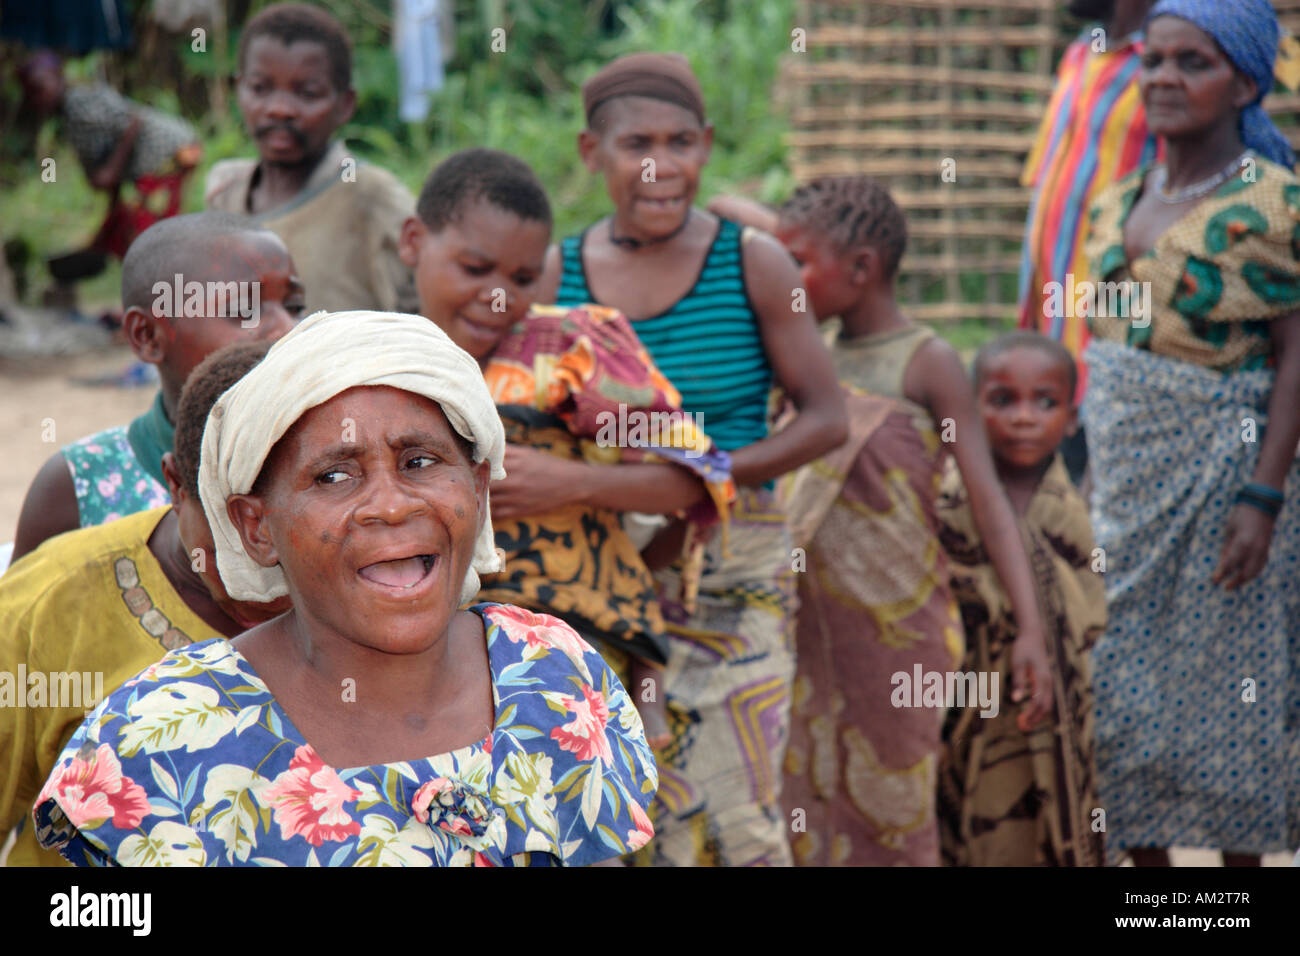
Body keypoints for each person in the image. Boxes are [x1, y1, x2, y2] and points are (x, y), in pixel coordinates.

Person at [33, 310, 658, 867]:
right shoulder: (158, 737)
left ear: (478, 488)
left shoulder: (555, 674)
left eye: (419, 462)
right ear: (257, 527)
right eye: (333, 475)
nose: (388, 506)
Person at [400, 148, 735, 750]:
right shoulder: (376, 357)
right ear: (413, 241)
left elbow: (695, 473)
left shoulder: (574, 346)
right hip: (420, 639)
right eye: (476, 269)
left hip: (572, 634)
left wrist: (571, 481)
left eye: (522, 280)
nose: (498, 297)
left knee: (576, 815)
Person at [760, 177, 1051, 866]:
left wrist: (1030, 627)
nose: (782, 276)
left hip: (899, 633)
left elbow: (988, 500)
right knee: (804, 793)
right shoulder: (809, 357)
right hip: (804, 623)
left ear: (861, 269)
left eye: (798, 261)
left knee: (893, 802)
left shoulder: (929, 362)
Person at [1081, 0, 1300, 866]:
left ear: (1245, 83)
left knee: (1225, 701)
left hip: (1229, 477)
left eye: (1192, 63)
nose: (1164, 78)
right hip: (1123, 480)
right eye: (1153, 61)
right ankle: (1154, 896)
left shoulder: (1279, 205)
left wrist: (1264, 493)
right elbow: (1104, 359)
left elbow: (1296, 358)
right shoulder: (1113, 202)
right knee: (1120, 699)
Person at [1, 341, 290, 866]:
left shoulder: (383, 600)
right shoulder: (50, 600)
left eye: (284, 525)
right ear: (175, 485)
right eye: (231, 525)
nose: (260, 558)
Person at [9, 212, 304, 562]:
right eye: (244, 309)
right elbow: (25, 612)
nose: (288, 329)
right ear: (147, 336)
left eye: (295, 306)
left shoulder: (331, 461)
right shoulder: (80, 486)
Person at [936, 332, 1106, 867]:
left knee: (1047, 826)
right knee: (966, 817)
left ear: (1072, 420)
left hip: (1052, 707)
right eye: (1003, 400)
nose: (1024, 417)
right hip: (967, 706)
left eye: (1045, 402)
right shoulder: (948, 499)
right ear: (970, 409)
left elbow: (1089, 614)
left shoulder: (1068, 513)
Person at [205, 3, 417, 314]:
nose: (279, 108)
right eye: (260, 88)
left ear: (345, 104)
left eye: (307, 93)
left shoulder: (370, 196)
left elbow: (420, 320)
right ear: (239, 90)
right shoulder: (225, 192)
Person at [17, 50, 202, 272]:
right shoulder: (71, 111)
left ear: (58, 77)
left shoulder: (78, 104)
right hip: (171, 152)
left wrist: (110, 173)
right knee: (133, 227)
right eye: (31, 94)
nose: (38, 99)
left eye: (40, 89)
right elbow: (107, 154)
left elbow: (131, 124)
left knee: (152, 232)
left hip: (168, 151)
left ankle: (175, 280)